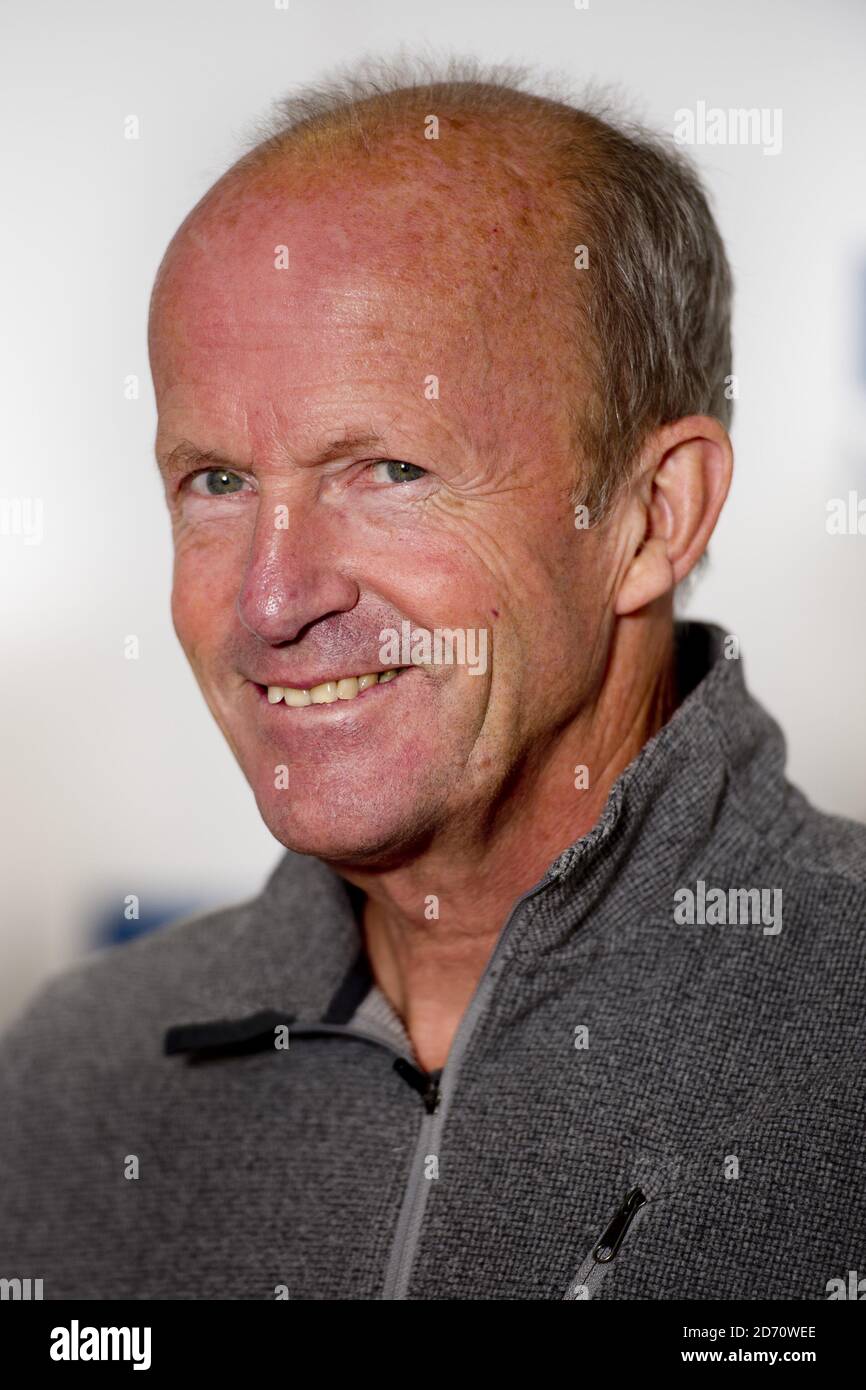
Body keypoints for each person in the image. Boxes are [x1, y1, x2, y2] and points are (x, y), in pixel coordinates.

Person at [1, 58, 863, 1301]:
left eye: (389, 472)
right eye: (217, 483)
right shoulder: (75, 1077)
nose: (270, 600)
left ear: (649, 515)